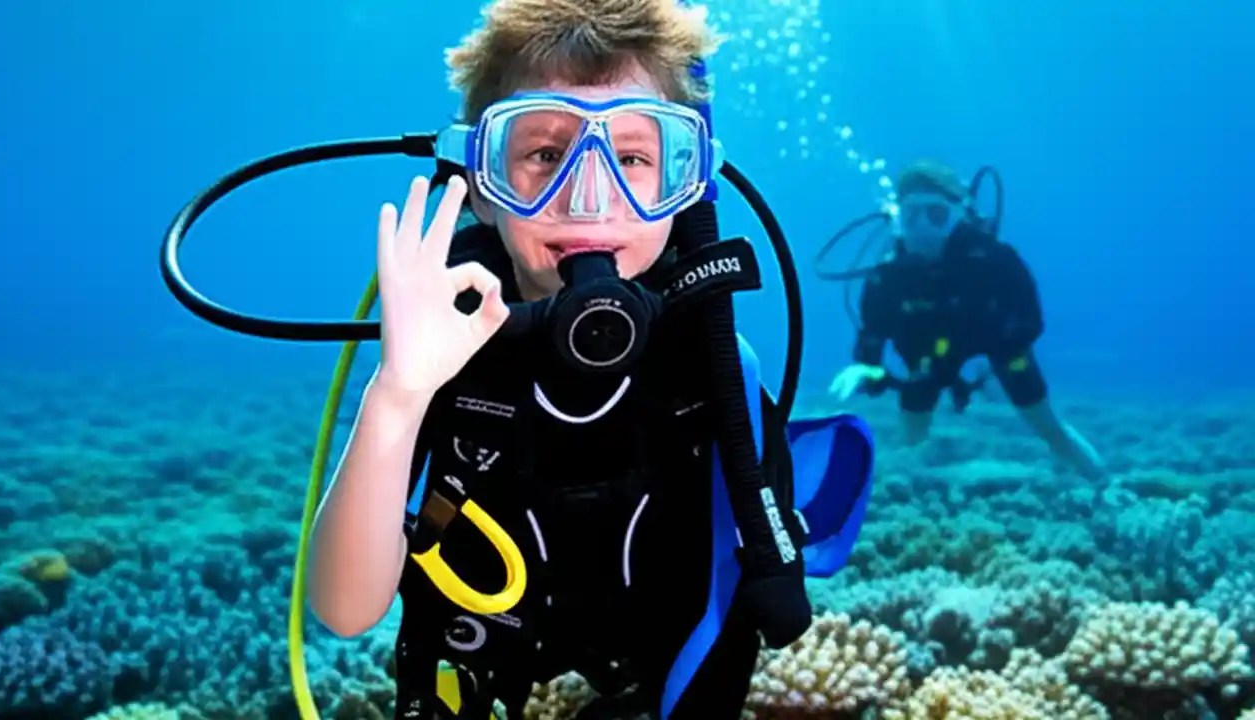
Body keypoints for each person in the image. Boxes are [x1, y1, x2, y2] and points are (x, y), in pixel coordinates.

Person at [297, 1, 875, 718]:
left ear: (687, 184)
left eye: (632, 158)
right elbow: (345, 610)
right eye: (545, 155)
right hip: (487, 631)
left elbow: (730, 601)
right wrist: (399, 393)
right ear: (480, 182)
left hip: (661, 630)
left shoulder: (716, 367)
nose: (590, 198)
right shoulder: (444, 352)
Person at [828, 160, 1106, 480]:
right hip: (926, 359)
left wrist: (995, 364)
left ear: (958, 215)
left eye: (935, 214)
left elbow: (1030, 320)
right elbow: (872, 337)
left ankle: (1103, 483)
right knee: (912, 442)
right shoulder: (888, 276)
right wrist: (867, 370)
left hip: (999, 349)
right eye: (911, 215)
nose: (921, 226)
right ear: (897, 218)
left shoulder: (995, 259)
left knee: (1050, 429)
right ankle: (912, 492)